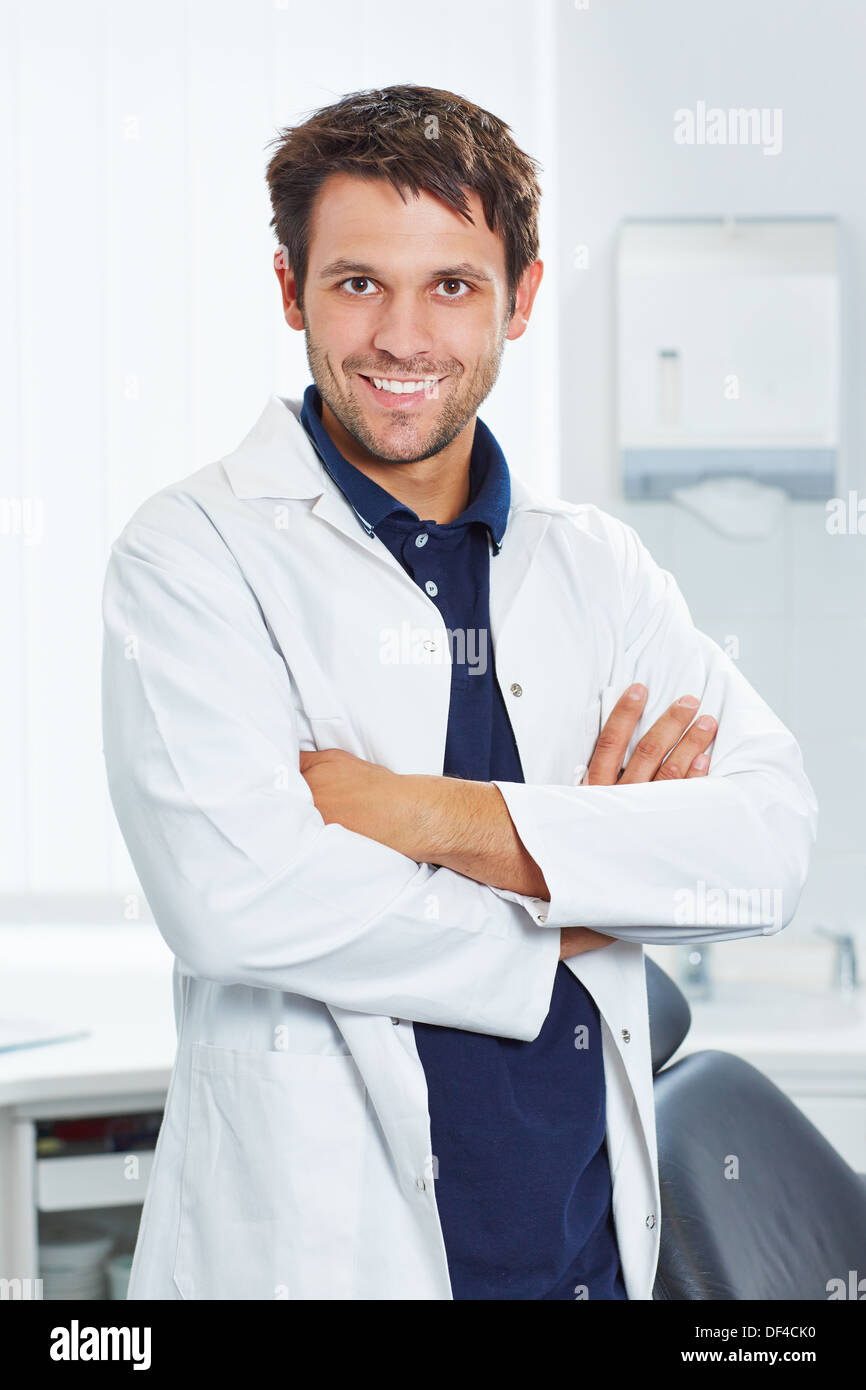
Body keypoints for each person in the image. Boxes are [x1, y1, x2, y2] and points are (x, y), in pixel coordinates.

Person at [102, 84, 817, 1301]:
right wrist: (588, 893)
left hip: (583, 1259)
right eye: (356, 281)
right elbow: (240, 900)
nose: (401, 337)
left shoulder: (596, 567)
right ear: (290, 292)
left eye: (451, 285)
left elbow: (764, 846)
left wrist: (411, 813)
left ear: (518, 300)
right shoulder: (192, 552)